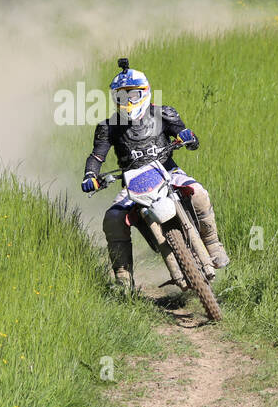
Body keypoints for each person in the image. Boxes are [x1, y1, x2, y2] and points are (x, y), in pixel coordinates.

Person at [81, 59, 229, 289]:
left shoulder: (163, 113)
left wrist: (188, 137)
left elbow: (185, 133)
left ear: (145, 92)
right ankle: (122, 275)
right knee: (113, 218)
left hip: (169, 172)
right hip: (133, 183)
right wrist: (90, 175)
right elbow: (97, 156)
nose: (128, 101)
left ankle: (213, 244)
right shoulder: (107, 126)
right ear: (114, 98)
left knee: (198, 193)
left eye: (133, 95)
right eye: (122, 96)